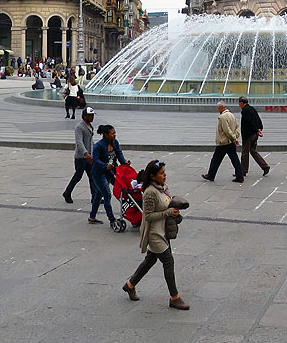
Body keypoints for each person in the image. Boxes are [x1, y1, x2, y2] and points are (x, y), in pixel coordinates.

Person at [122, 160, 189, 310]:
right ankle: (175, 297)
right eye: (162, 173)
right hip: (154, 234)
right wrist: (168, 212)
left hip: (164, 231)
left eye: (165, 172)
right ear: (153, 176)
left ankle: (130, 285)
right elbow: (148, 216)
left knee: (150, 260)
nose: (165, 175)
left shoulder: (163, 188)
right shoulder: (150, 192)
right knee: (168, 262)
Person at [89, 125, 126, 226]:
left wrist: (125, 162)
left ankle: (92, 216)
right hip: (99, 173)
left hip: (110, 172)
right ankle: (112, 219)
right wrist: (105, 166)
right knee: (107, 194)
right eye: (112, 133)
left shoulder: (115, 143)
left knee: (98, 194)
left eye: (115, 133)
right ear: (106, 134)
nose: (114, 135)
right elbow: (95, 160)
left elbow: (119, 154)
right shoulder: (98, 146)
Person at [201, 101, 244, 183]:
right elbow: (237, 127)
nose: (217, 109)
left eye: (218, 107)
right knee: (235, 159)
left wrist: (234, 138)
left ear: (221, 107)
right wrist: (235, 137)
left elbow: (226, 130)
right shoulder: (232, 115)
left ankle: (211, 175)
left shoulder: (222, 117)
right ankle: (240, 176)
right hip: (231, 142)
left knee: (216, 160)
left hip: (224, 142)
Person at [62, 107, 96, 204]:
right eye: (90, 115)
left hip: (89, 156)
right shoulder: (80, 127)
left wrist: (93, 153)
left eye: (93, 115)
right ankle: (67, 192)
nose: (92, 117)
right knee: (78, 176)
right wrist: (86, 154)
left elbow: (91, 141)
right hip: (81, 157)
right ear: (85, 116)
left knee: (92, 176)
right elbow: (79, 142)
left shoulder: (90, 126)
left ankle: (94, 196)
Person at [237, 96, 270, 177]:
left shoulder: (245, 111)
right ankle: (265, 166)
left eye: (239, 103)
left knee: (245, 153)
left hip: (248, 135)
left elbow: (249, 122)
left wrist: (256, 130)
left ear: (242, 103)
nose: (238, 105)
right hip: (254, 134)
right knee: (253, 151)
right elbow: (258, 119)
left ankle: (243, 170)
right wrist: (259, 129)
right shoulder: (252, 109)